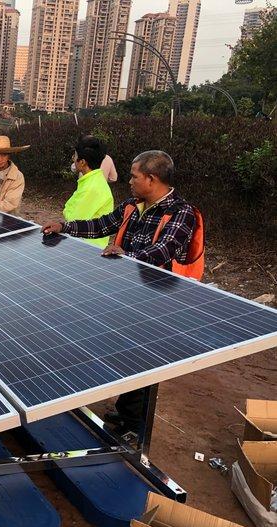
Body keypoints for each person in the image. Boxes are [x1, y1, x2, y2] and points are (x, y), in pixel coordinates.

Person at [42, 150, 198, 432]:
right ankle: (126, 411)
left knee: (145, 358)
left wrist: (127, 255)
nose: (129, 181)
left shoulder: (181, 212)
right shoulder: (132, 205)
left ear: (151, 179)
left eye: (134, 176)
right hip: (129, 291)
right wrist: (65, 227)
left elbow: (163, 250)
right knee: (127, 351)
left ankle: (135, 427)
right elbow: (102, 224)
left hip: (160, 296)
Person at [63, 135, 115, 248]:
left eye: (75, 156)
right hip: (83, 244)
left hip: (88, 248)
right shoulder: (91, 181)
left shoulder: (92, 187)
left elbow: (73, 220)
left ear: (82, 162)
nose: (73, 158)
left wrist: (67, 210)